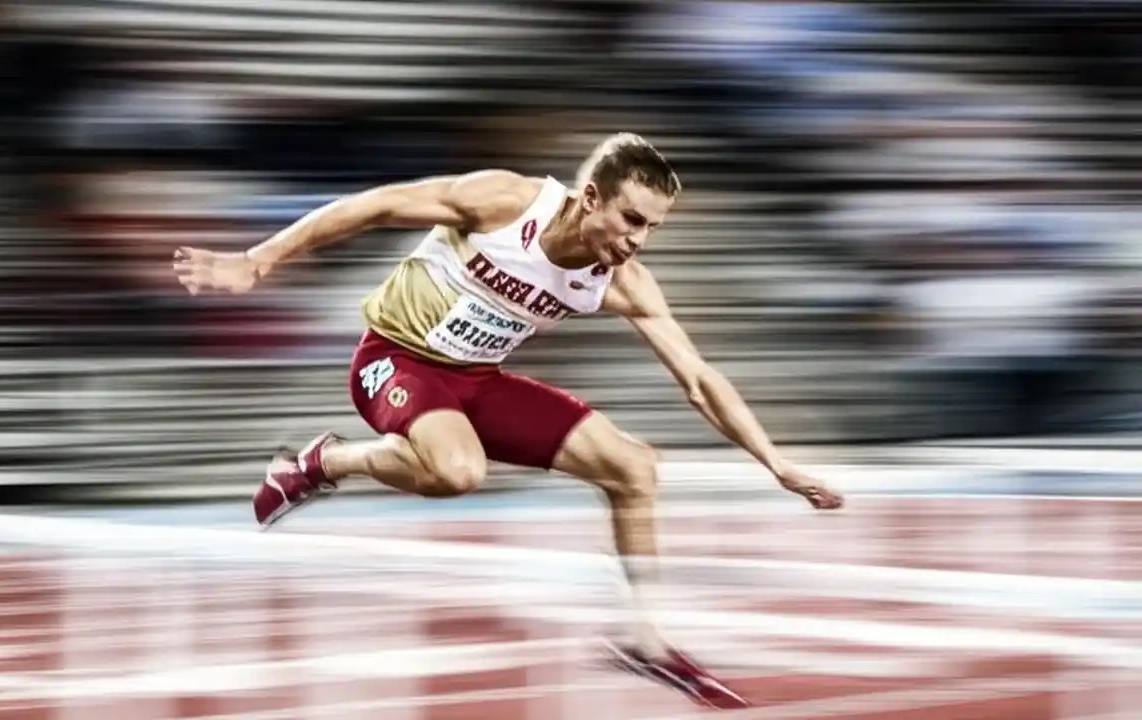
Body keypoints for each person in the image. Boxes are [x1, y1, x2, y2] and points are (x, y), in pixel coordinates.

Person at [173, 133, 843, 709]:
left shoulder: (623, 281)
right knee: (458, 471)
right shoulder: (504, 203)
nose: (637, 242)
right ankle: (325, 460)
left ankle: (645, 639)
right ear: (590, 198)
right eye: (631, 220)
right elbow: (375, 206)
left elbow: (699, 378)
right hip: (395, 360)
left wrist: (775, 463)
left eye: (652, 230)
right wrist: (258, 260)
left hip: (477, 381)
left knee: (635, 468)